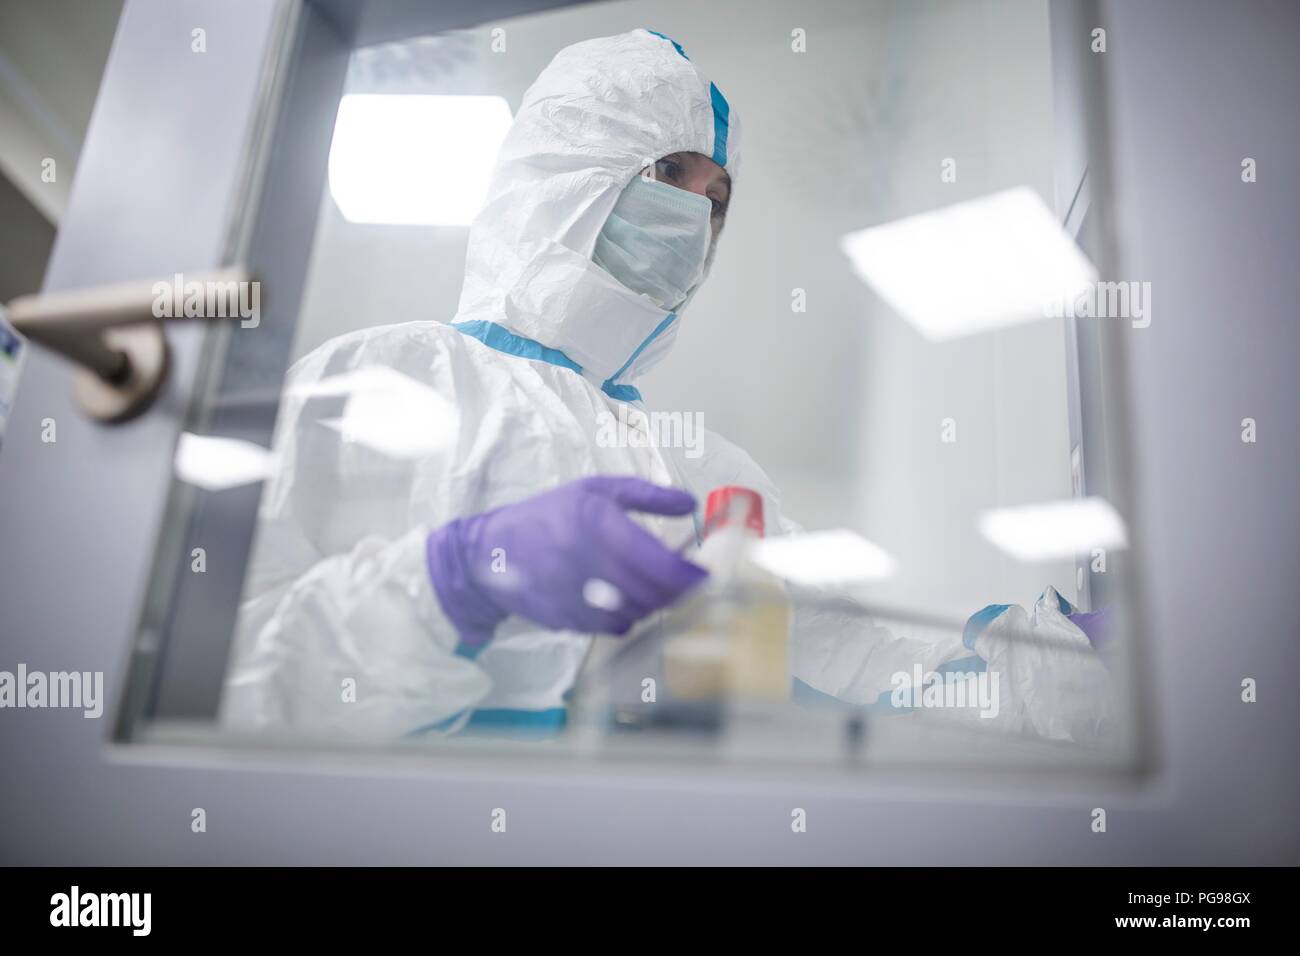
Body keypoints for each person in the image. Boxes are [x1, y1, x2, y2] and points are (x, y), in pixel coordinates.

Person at [221, 29, 973, 738]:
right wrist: (452, 581)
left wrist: (1012, 666)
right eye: (670, 172)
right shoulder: (380, 381)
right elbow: (227, 670)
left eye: (715, 199)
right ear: (562, 177)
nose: (692, 213)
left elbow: (848, 659)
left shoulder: (701, 472)